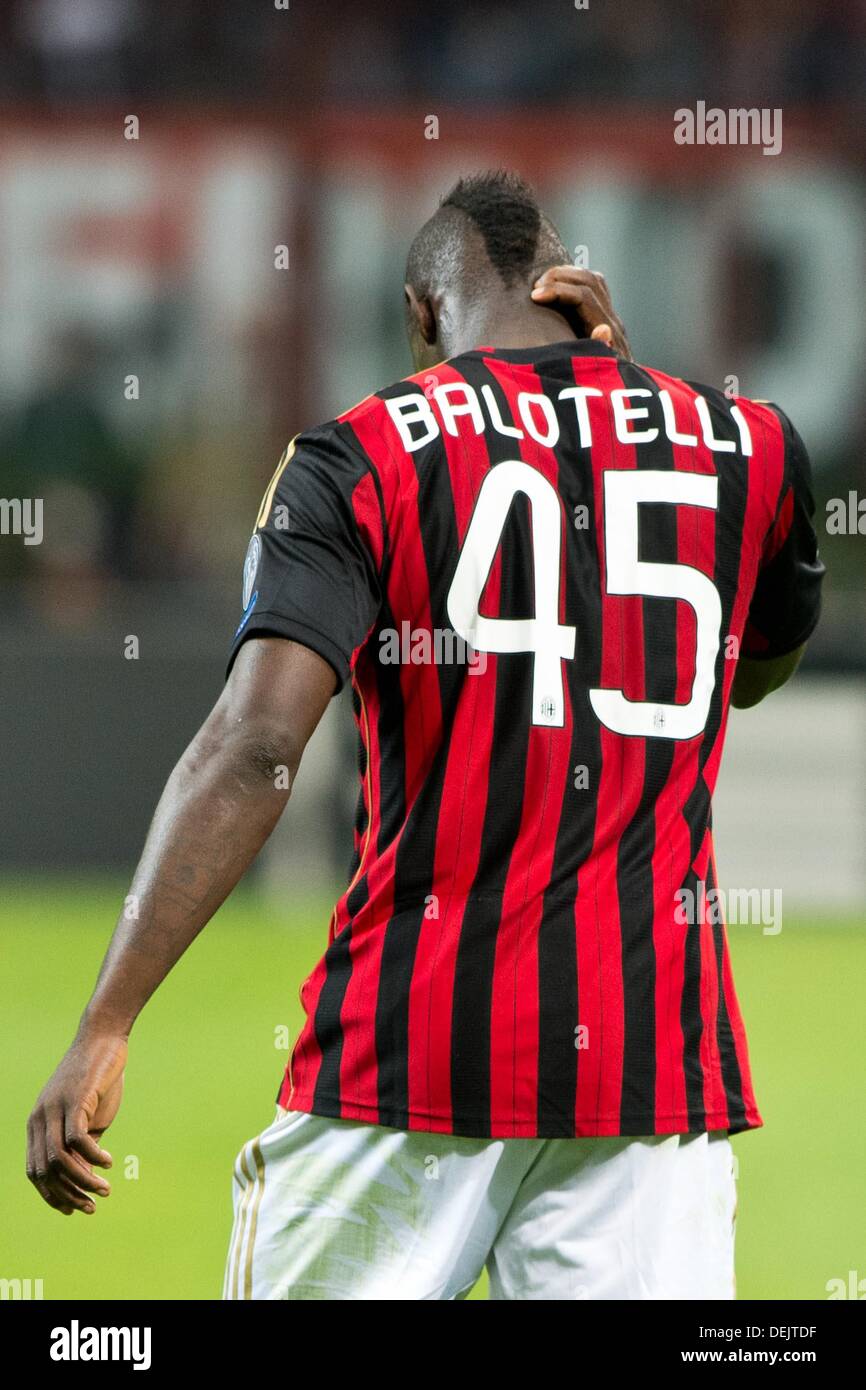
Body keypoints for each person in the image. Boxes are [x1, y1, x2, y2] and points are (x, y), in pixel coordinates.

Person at [27, 171, 824, 1300]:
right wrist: (628, 402)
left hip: (407, 1063)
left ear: (418, 314)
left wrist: (107, 1020)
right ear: (565, 291)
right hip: (651, 1075)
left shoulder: (356, 458)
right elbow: (753, 673)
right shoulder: (746, 444)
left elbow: (254, 748)